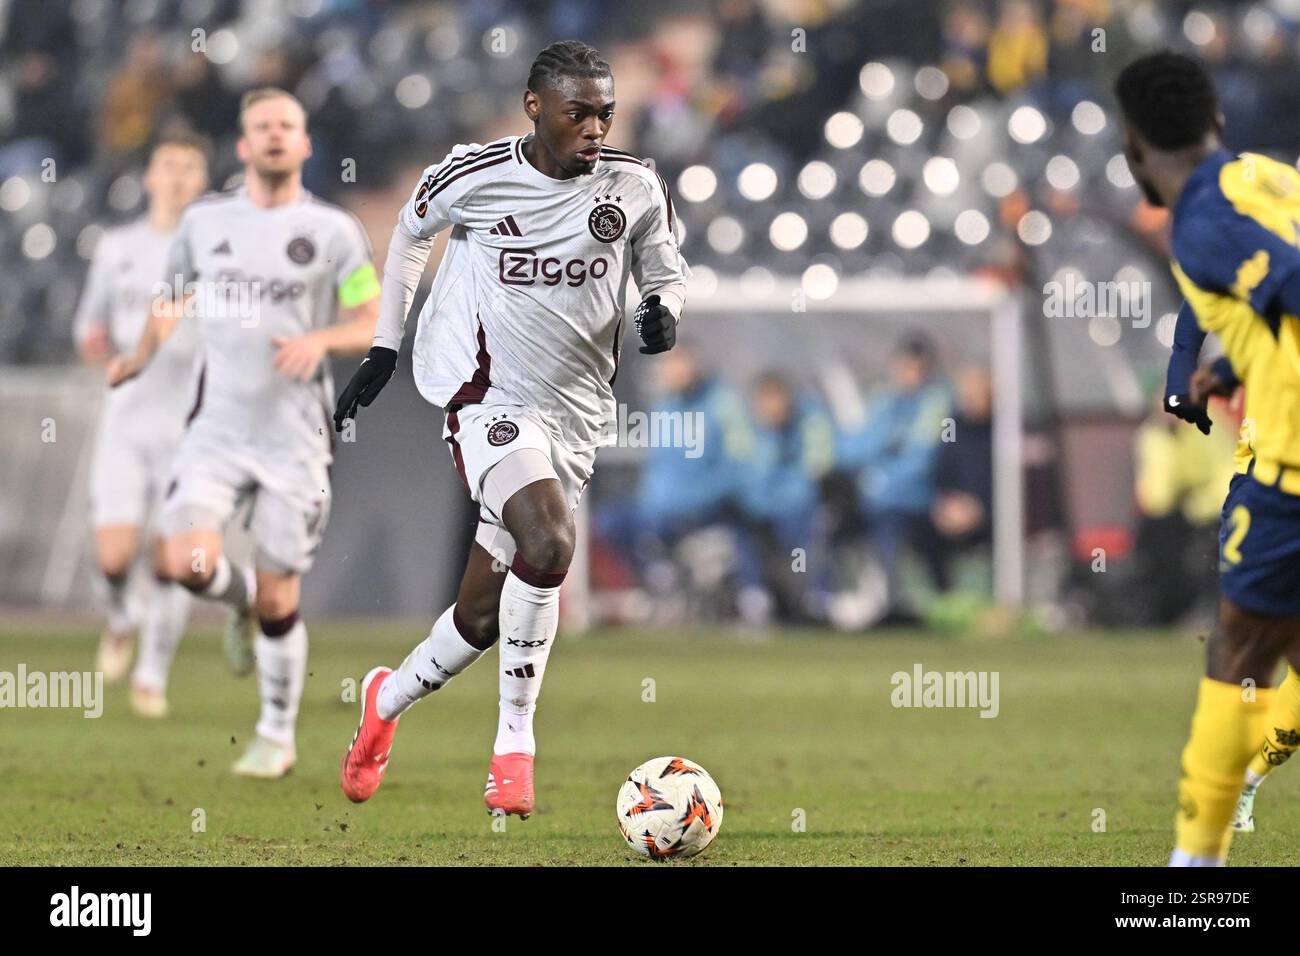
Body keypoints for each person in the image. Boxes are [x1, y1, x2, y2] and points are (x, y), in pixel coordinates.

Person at [333, 40, 690, 819]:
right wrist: (385, 345)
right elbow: (407, 233)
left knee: (480, 618)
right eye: (579, 112)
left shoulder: (634, 186)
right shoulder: (478, 174)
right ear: (536, 108)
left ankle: (383, 704)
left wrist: (661, 313)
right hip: (488, 397)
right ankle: (515, 744)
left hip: (576, 414)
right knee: (553, 541)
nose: (595, 127)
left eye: (605, 112)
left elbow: (663, 272)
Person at [107, 88, 381, 777]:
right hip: (217, 431)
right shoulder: (203, 223)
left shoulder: (334, 234)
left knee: (282, 598)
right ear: (242, 144)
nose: (276, 136)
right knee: (183, 563)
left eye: (288, 125)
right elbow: (172, 298)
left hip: (295, 439)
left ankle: (276, 736)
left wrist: (322, 339)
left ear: (306, 143)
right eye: (262, 126)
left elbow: (370, 321)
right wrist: (140, 355)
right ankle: (238, 604)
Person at [1116, 50, 1300, 865]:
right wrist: (1219, 365)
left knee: (1238, 646)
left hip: (1291, 469)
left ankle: (1195, 871)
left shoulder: (1201, 222)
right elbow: (1244, 291)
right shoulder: (1266, 177)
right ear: (1215, 123)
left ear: (1131, 150)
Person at [77, 131, 210, 718]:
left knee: (172, 561)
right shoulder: (117, 246)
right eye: (168, 164)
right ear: (151, 177)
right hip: (127, 424)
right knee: (112, 558)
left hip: (191, 428)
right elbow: (87, 324)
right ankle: (120, 618)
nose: (178, 175)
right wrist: (96, 343)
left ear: (201, 181)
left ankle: (152, 674)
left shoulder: (217, 252)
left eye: (189, 166)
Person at [838, 333, 952, 620]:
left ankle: (891, 601)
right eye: (905, 367)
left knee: (891, 527)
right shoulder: (883, 400)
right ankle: (832, 599)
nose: (910, 375)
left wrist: (879, 479)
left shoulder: (938, 402)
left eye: (917, 368)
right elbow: (852, 449)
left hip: (920, 501)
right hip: (876, 500)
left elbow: (923, 459)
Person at [734, 371, 835, 624]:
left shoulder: (811, 421)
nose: (772, 407)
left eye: (776, 398)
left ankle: (816, 599)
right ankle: (754, 598)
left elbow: (815, 471)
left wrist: (778, 502)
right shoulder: (748, 430)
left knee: (811, 530)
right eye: (765, 400)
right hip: (760, 514)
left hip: (796, 511)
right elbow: (744, 475)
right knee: (742, 528)